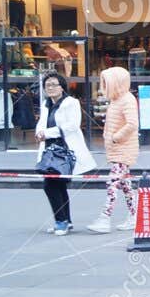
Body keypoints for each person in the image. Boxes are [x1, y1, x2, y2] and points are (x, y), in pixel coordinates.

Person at [34, 72, 96, 235]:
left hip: (64, 151)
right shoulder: (45, 104)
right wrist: (40, 133)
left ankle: (61, 221)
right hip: (49, 152)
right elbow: (41, 124)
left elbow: (72, 126)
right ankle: (64, 221)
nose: (51, 88)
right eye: (47, 85)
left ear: (62, 87)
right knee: (57, 186)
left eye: (54, 84)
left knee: (51, 186)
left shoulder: (71, 103)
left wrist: (47, 133)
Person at [88, 66, 139, 234]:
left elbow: (132, 124)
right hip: (117, 149)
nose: (104, 85)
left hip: (123, 149)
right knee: (125, 185)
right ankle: (134, 216)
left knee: (113, 183)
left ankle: (105, 217)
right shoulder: (117, 100)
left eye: (107, 82)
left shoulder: (127, 99)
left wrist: (115, 137)